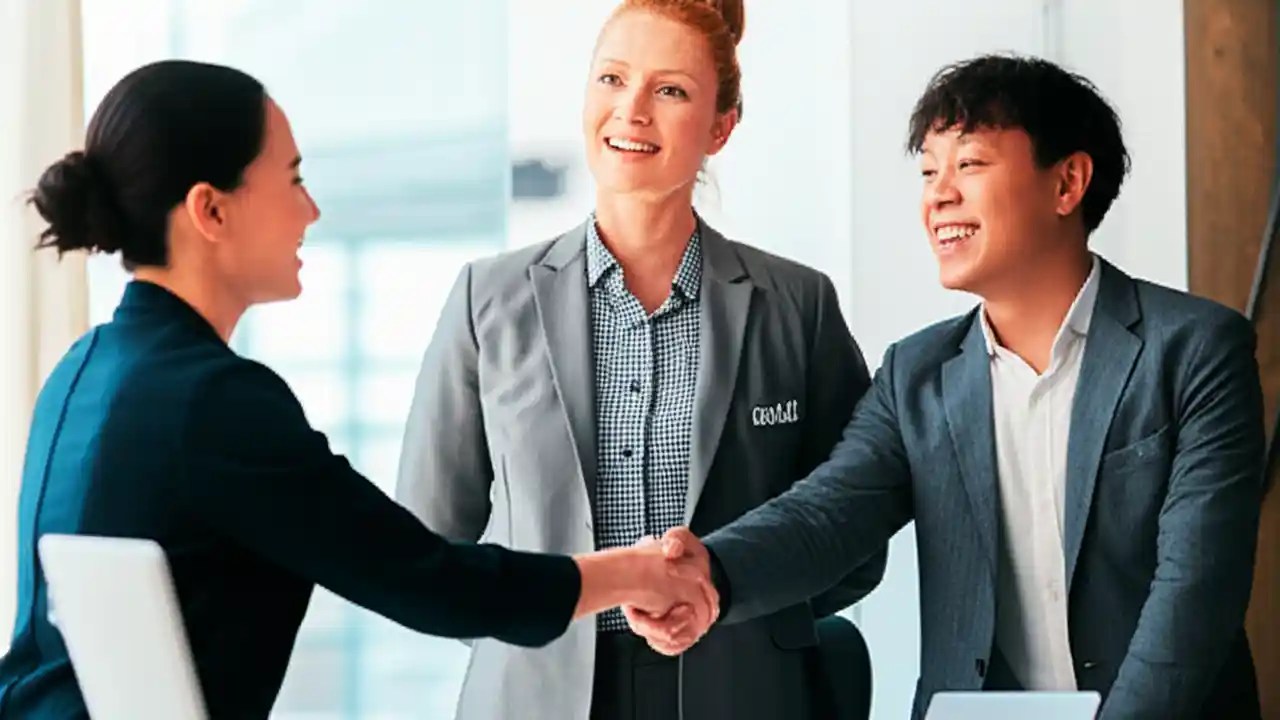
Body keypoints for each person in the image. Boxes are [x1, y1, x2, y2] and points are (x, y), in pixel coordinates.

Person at [0, 59, 717, 720]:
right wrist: (633, 574)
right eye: (292, 178)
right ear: (211, 211)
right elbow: (429, 580)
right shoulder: (213, 404)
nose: (311, 211)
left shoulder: (83, 372)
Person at [630, 54, 1267, 719]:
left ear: (1068, 182)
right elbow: (824, 516)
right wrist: (710, 572)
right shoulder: (918, 375)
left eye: (970, 164)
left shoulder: (1196, 351)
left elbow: (1194, 595)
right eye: (929, 171)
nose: (938, 195)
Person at [395, 1, 885, 718]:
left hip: (741, 692)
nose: (631, 111)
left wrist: (745, 613)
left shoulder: (796, 305)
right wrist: (533, 647)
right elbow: (427, 544)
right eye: (612, 80)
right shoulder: (486, 300)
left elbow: (851, 537)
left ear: (721, 126)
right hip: (536, 696)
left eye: (671, 90)